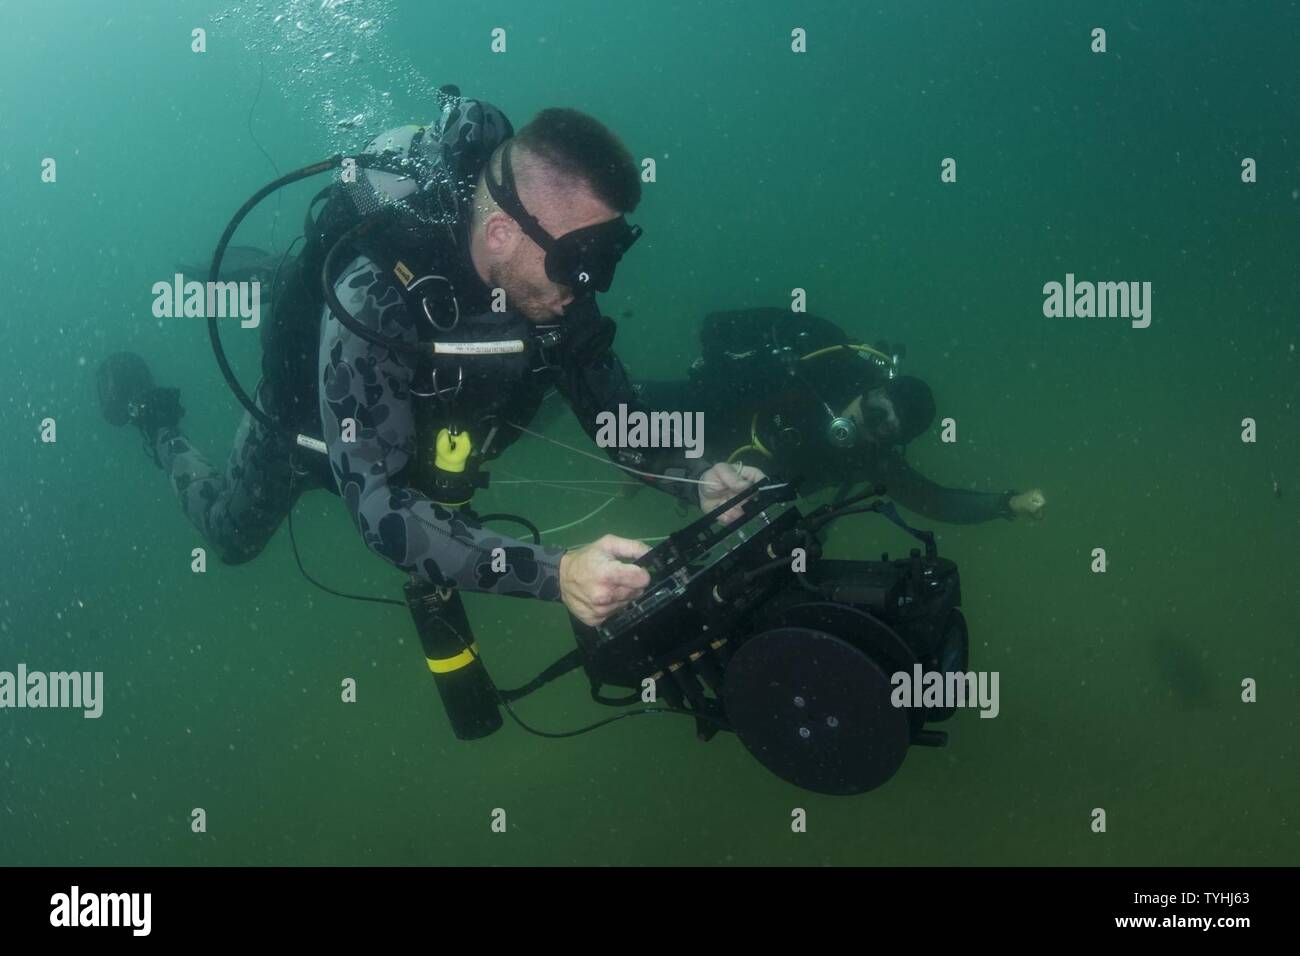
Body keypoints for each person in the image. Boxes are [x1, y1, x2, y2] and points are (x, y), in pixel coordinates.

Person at [97, 93, 762, 629]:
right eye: (580, 263)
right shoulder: (375, 295)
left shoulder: (559, 288)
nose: (589, 288)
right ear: (503, 231)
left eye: (604, 260)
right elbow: (380, 508)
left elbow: (617, 419)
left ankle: (277, 278)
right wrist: (557, 573)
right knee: (232, 535)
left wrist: (696, 478)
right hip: (309, 418)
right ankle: (155, 421)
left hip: (436, 420)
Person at [634, 307, 1046, 524]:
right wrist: (761, 364)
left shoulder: (870, 457)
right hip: (700, 416)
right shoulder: (819, 367)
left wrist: (1005, 504)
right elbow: (716, 327)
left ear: (891, 442)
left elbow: (933, 501)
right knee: (610, 410)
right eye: (872, 410)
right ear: (868, 389)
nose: (865, 424)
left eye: (883, 429)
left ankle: (644, 469)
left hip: (714, 488)